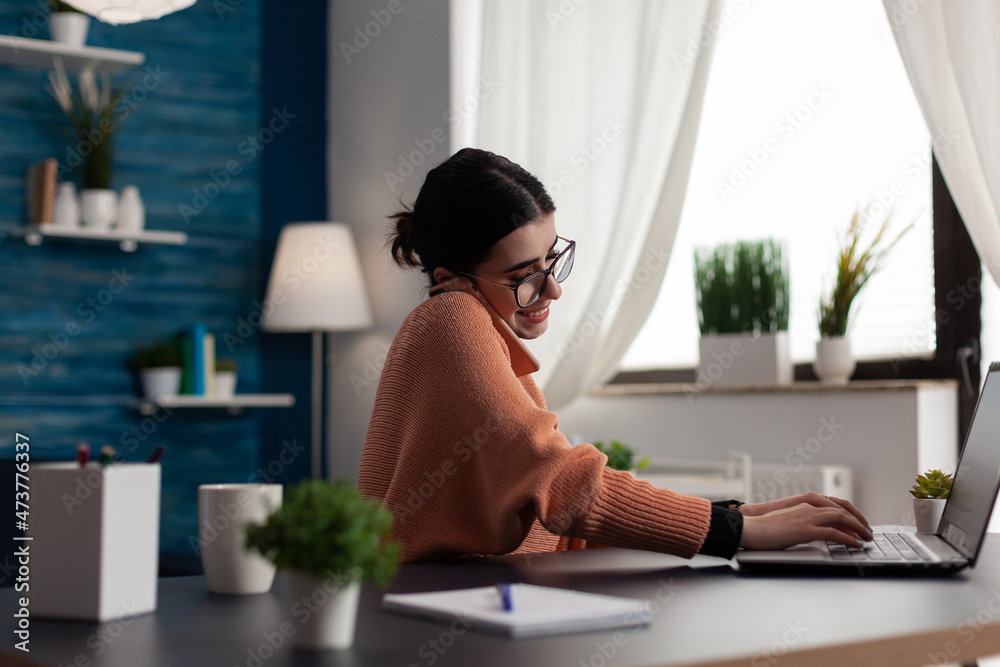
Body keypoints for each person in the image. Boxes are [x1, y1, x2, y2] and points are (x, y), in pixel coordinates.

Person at [358, 147, 872, 562]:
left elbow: (556, 524)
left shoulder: (474, 334)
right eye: (522, 277)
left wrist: (739, 517)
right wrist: (734, 531)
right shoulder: (451, 320)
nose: (552, 290)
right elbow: (560, 484)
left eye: (552, 259)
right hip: (436, 621)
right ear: (451, 280)